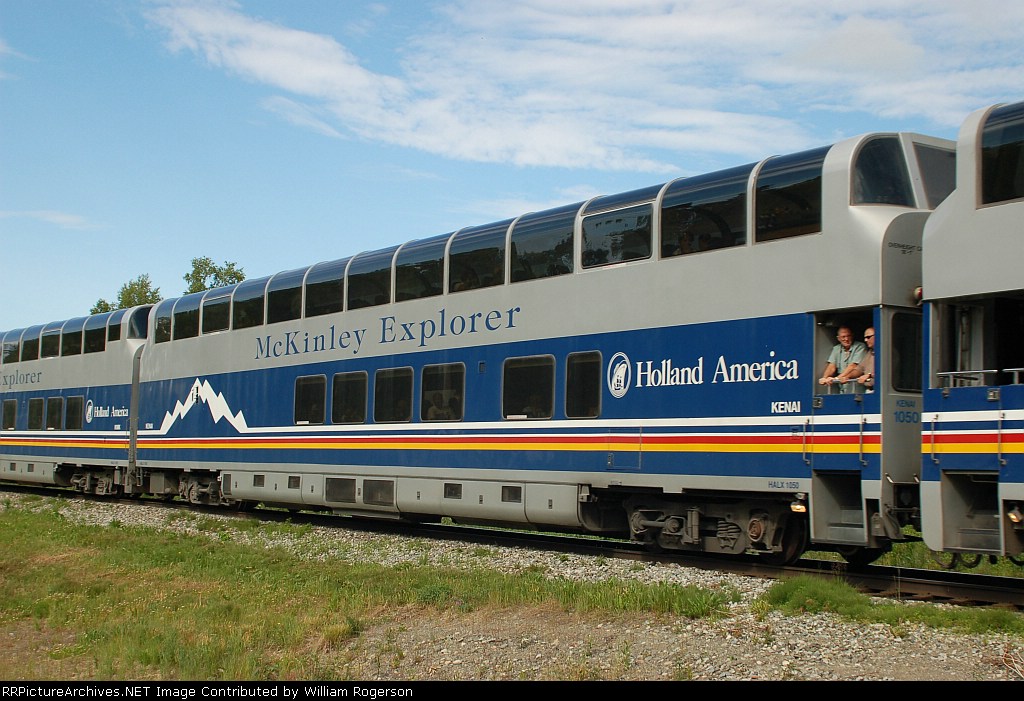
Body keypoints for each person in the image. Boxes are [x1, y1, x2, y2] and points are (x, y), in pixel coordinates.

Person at [818, 326, 867, 393]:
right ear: (838, 338)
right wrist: (824, 378)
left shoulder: (860, 346)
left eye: (848, 336)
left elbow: (853, 366)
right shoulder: (836, 349)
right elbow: (831, 366)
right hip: (842, 389)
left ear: (852, 336)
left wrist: (836, 378)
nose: (846, 339)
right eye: (843, 337)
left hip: (856, 388)